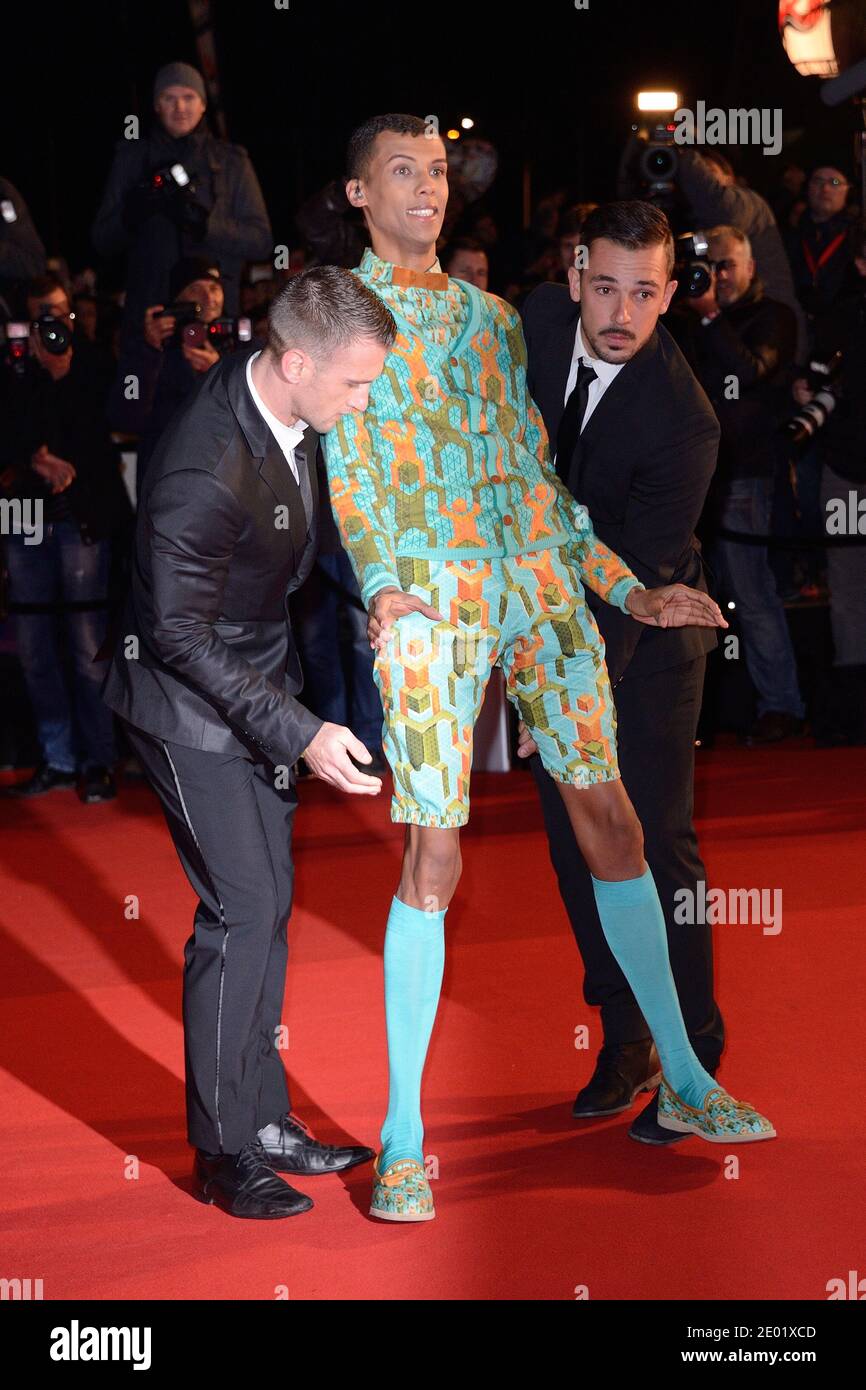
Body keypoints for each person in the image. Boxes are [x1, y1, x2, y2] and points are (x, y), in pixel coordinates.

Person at [322, 113, 776, 1225]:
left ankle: (682, 1069)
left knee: (615, 824)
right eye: (401, 172)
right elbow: (350, 464)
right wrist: (379, 581)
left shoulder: (489, 319)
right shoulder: (339, 314)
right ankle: (401, 1139)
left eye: (435, 170)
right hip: (428, 602)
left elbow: (531, 480)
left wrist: (626, 588)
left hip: (537, 589)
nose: (426, 188)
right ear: (355, 193)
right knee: (432, 858)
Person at [99, 267, 397, 1219]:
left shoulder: (284, 403)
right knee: (240, 909)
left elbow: (314, 537)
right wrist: (303, 731)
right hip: (189, 705)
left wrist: (376, 590)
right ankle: (224, 1151)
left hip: (257, 683)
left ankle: (264, 1117)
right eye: (355, 383)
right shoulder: (201, 465)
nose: (365, 399)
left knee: (271, 904)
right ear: (297, 361)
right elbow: (179, 636)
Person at [520, 200, 725, 1145]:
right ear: (574, 276)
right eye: (605, 285)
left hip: (643, 644)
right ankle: (626, 1035)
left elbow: (634, 576)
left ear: (670, 296)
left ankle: (697, 1057)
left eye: (645, 293)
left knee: (653, 843)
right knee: (574, 850)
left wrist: (565, 699)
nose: (621, 312)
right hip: (549, 629)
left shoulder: (684, 421)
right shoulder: (534, 325)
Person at [668, 225, 806, 744]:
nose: (719, 276)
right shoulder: (682, 319)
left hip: (745, 474)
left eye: (729, 266)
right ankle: (701, 718)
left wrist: (710, 315)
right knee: (692, 598)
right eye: (711, 266)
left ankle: (781, 707)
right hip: (689, 478)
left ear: (752, 268)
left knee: (751, 595)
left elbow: (749, 371)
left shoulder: (773, 317)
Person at [3, 272, 132, 802]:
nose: (54, 327)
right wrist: (33, 454)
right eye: (43, 316)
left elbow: (106, 431)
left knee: (85, 644)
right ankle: (56, 758)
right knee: (33, 644)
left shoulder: (95, 362)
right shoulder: (11, 366)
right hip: (22, 512)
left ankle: (99, 760)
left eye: (61, 314)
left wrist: (63, 375)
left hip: (83, 516)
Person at [92, 61, 271, 338]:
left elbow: (261, 242)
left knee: (218, 382)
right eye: (169, 98)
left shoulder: (231, 162)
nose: (180, 108)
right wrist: (132, 215)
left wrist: (206, 226)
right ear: (156, 105)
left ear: (203, 104)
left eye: (189, 97)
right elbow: (102, 240)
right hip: (152, 320)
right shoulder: (130, 159)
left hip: (217, 318)